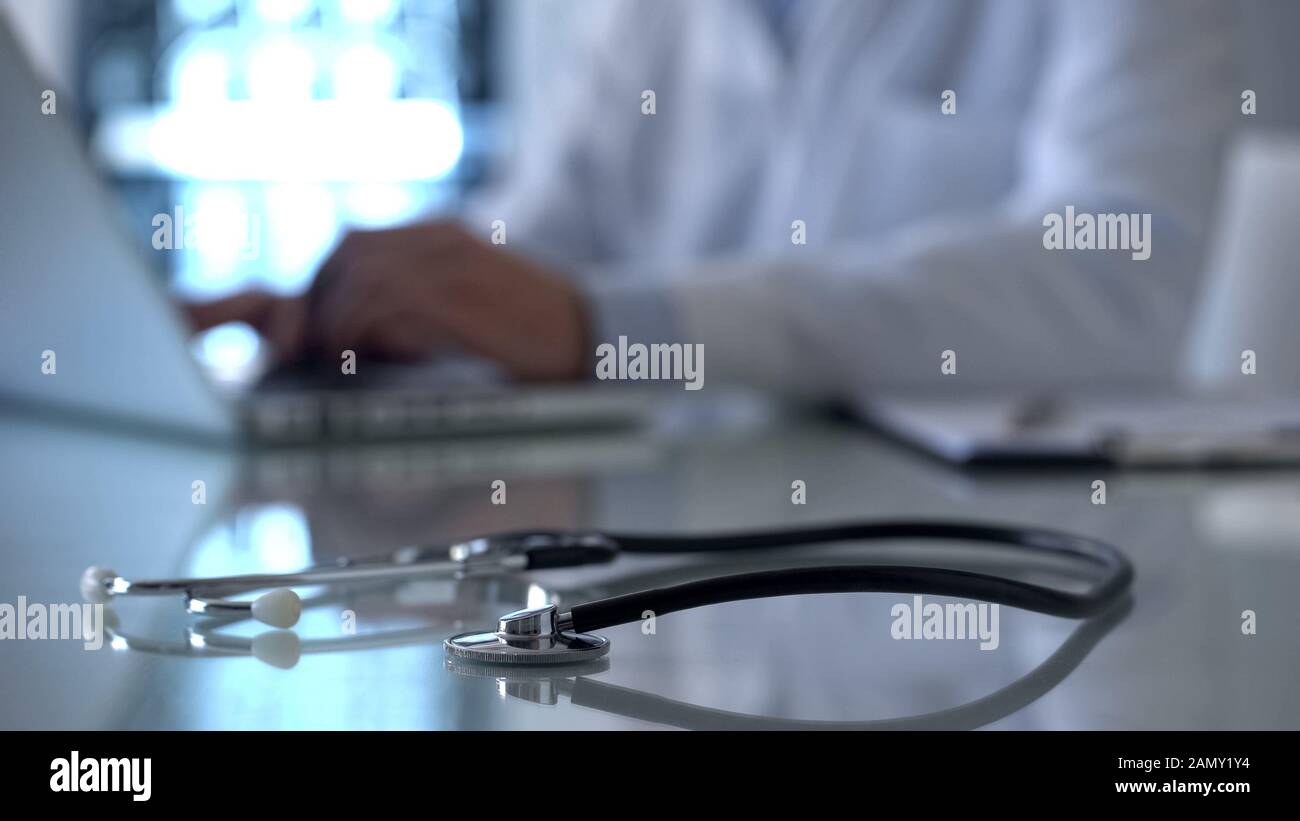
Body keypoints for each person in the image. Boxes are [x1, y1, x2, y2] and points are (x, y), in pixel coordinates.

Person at [187, 0, 1239, 399]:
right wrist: (396, 312)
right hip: (682, 566)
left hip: (1005, 607)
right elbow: (542, 245)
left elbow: (1121, 273)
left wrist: (621, 328)